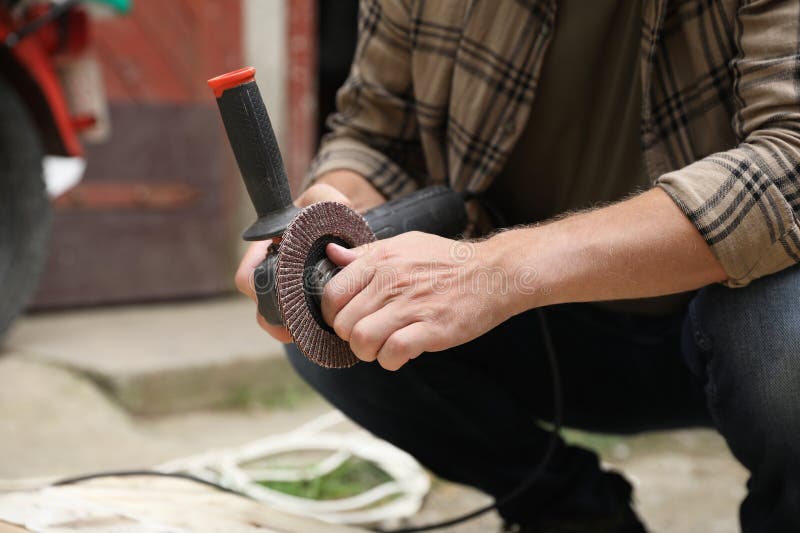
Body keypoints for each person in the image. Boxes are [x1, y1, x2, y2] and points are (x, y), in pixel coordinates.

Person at [236, 1, 800, 531]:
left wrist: (495, 272)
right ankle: (574, 517)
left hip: (731, 328)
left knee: (784, 324)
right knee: (347, 317)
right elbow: (377, 135)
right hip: (539, 337)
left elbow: (789, 159)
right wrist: (332, 221)